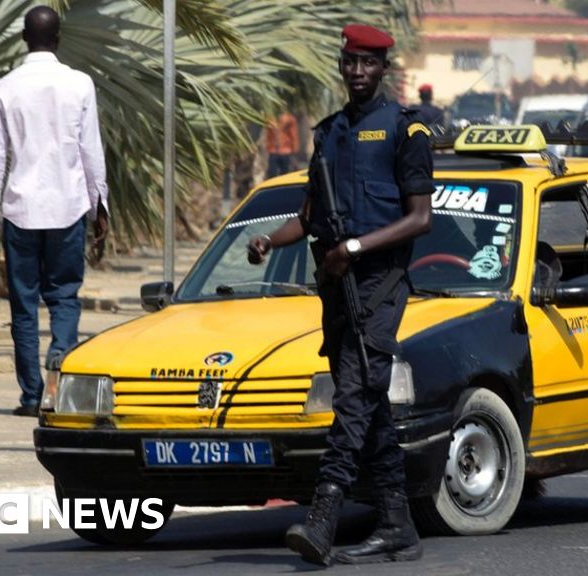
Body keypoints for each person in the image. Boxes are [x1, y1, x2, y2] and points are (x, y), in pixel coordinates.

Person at [246, 24, 433, 567]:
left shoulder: (406, 130)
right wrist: (268, 240)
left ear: (384, 69)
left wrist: (353, 247)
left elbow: (419, 218)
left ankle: (323, 517)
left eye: (368, 63)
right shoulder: (329, 132)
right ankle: (397, 526)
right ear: (341, 65)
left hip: (378, 284)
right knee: (369, 402)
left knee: (353, 395)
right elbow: (309, 216)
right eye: (350, 62)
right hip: (335, 284)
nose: (358, 72)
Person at [0, 6, 109, 417]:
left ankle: (32, 396)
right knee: (65, 297)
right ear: (58, 39)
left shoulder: (4, 88)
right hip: (68, 207)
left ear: (24, 38)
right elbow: (91, 150)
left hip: (21, 211)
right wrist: (100, 206)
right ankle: (60, 367)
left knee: (23, 307)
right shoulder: (80, 84)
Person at [265, 111, 301, 178]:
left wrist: (295, 149)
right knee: (272, 174)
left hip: (285, 151)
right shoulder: (270, 118)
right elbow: (268, 135)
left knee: (284, 174)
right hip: (273, 151)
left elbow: (293, 135)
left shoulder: (289, 119)